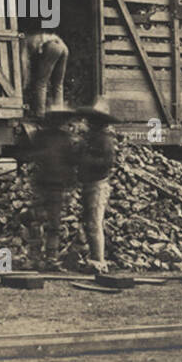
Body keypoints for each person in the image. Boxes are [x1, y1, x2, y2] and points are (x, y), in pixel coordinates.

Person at [24, 109, 78, 270]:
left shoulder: (40, 137)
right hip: (56, 186)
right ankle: (50, 258)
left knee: (37, 220)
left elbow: (32, 156)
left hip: (43, 184)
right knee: (53, 223)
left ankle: (35, 257)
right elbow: (72, 162)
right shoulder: (66, 139)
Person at [76, 97, 117, 273]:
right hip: (90, 184)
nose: (87, 122)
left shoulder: (104, 140)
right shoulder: (93, 138)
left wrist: (84, 157)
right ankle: (95, 260)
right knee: (90, 223)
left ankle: (99, 262)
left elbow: (107, 162)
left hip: (97, 185)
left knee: (94, 223)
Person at [21, 30, 68, 117]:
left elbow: (24, 65)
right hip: (63, 46)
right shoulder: (36, 37)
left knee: (41, 82)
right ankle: (59, 113)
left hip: (52, 47)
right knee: (58, 84)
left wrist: (25, 83)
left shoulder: (24, 42)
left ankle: (40, 114)